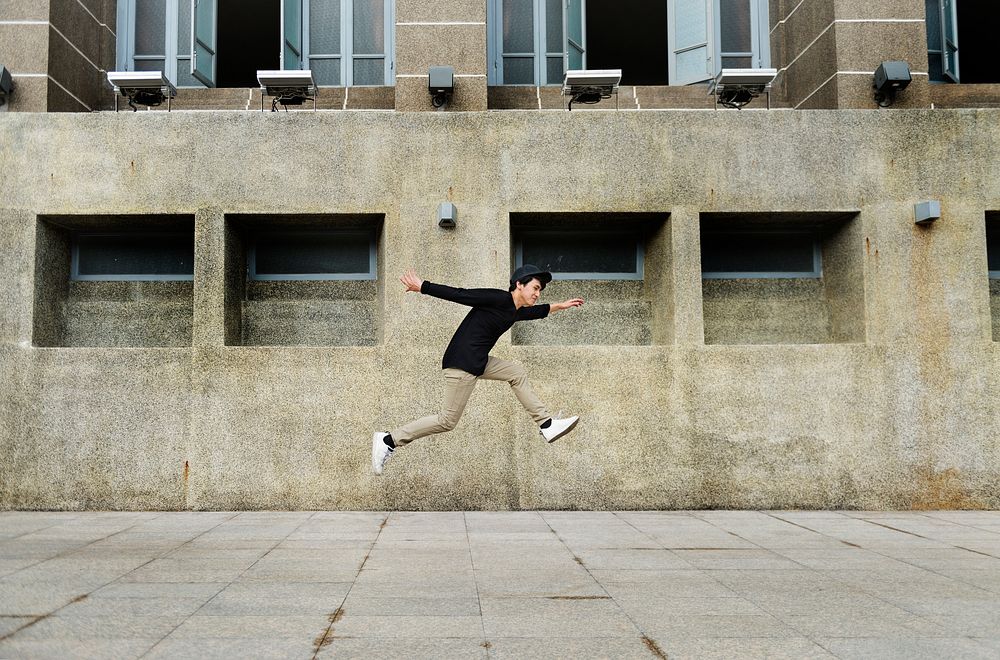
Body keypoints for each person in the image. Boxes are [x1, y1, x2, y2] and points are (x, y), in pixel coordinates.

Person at [371, 265, 585, 475]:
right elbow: (461, 295)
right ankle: (388, 440)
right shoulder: (499, 299)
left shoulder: (514, 311)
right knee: (447, 421)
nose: (538, 294)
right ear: (519, 285)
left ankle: (546, 424)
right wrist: (423, 286)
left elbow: (539, 311)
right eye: (536, 288)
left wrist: (562, 306)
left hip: (478, 361)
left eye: (540, 290)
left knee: (516, 372)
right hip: (462, 363)